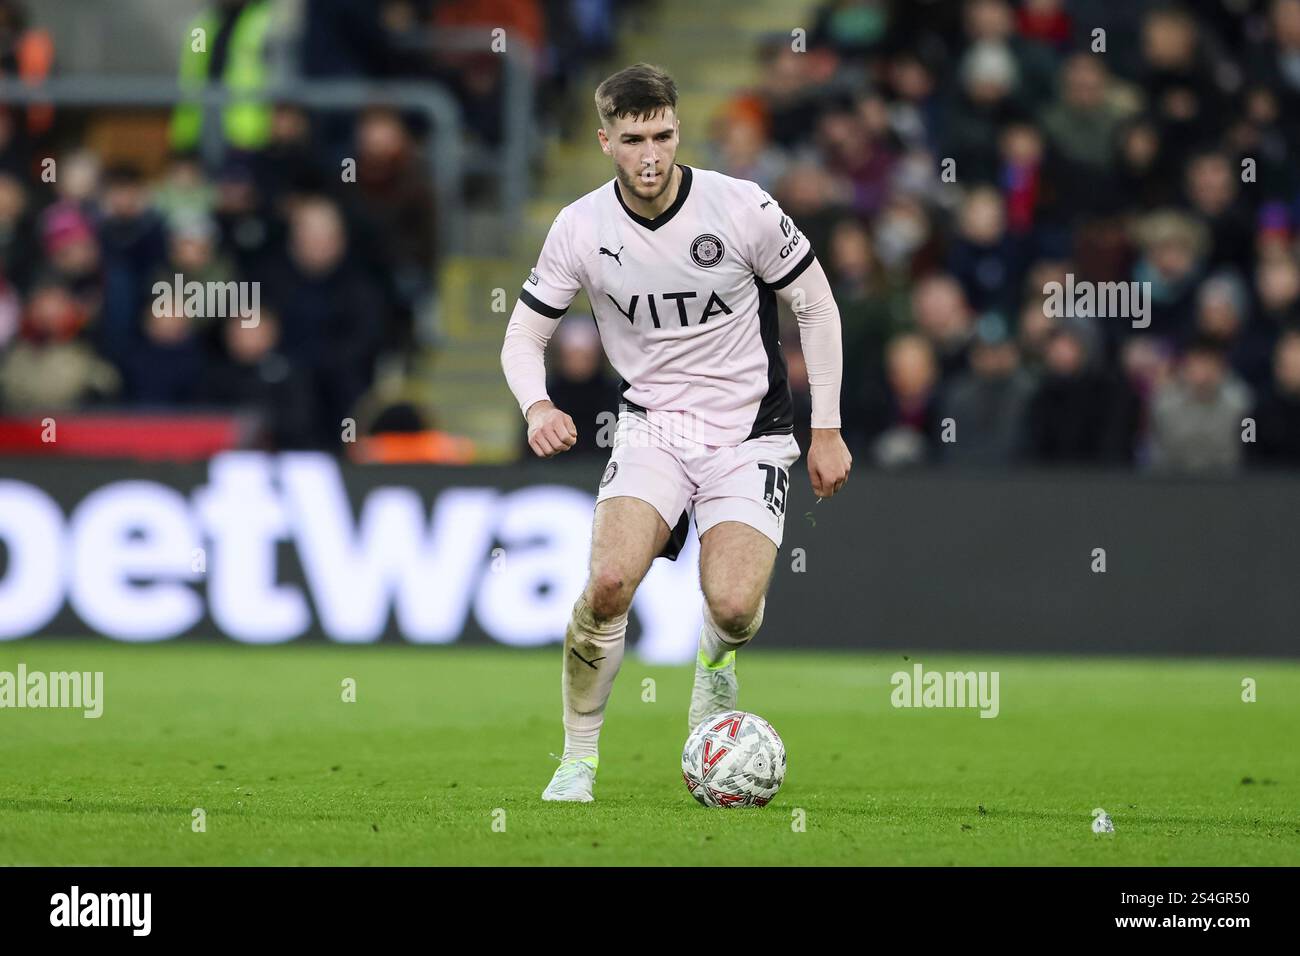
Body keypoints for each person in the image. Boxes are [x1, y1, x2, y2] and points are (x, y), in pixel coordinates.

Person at [500, 63, 851, 802]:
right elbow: (522, 338)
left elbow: (816, 306)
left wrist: (829, 429)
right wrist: (538, 407)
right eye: (633, 140)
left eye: (662, 135)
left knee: (731, 605)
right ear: (605, 141)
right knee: (606, 585)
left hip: (749, 434)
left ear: (679, 131)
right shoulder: (581, 227)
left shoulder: (741, 207)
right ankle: (578, 760)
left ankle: (715, 664)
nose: (651, 155)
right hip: (653, 429)